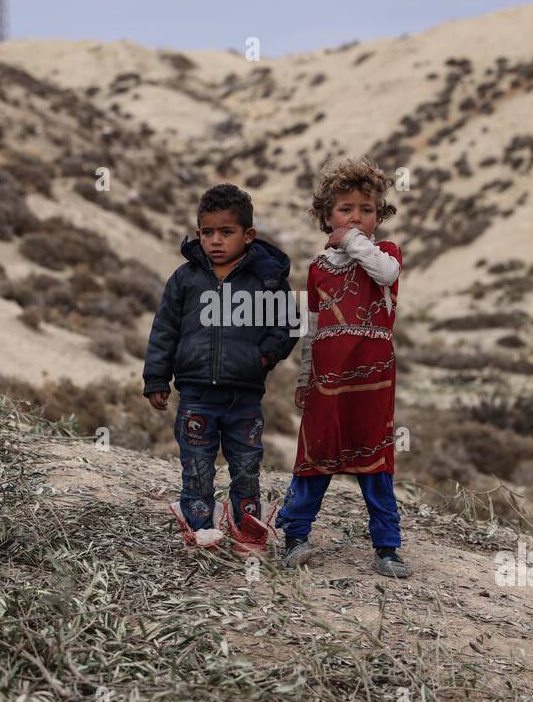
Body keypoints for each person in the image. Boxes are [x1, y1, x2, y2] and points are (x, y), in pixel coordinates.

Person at [143, 184, 297, 553]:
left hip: (244, 396)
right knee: (197, 465)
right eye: (207, 232)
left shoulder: (266, 278)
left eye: (226, 232)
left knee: (246, 464)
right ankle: (199, 526)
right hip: (196, 393)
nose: (215, 241)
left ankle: (246, 526)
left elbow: (288, 324)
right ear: (198, 233)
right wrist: (156, 378)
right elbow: (165, 329)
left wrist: (263, 357)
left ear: (248, 235)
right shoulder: (185, 279)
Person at [276, 156, 410, 578]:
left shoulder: (385, 254)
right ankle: (295, 537)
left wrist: (352, 240)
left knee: (376, 461)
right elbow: (313, 325)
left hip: (373, 381)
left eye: (366, 210)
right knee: (315, 455)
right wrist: (304, 375)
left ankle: (386, 548)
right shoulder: (318, 269)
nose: (356, 217)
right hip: (327, 382)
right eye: (346, 209)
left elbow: (386, 274)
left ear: (379, 216)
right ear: (325, 215)